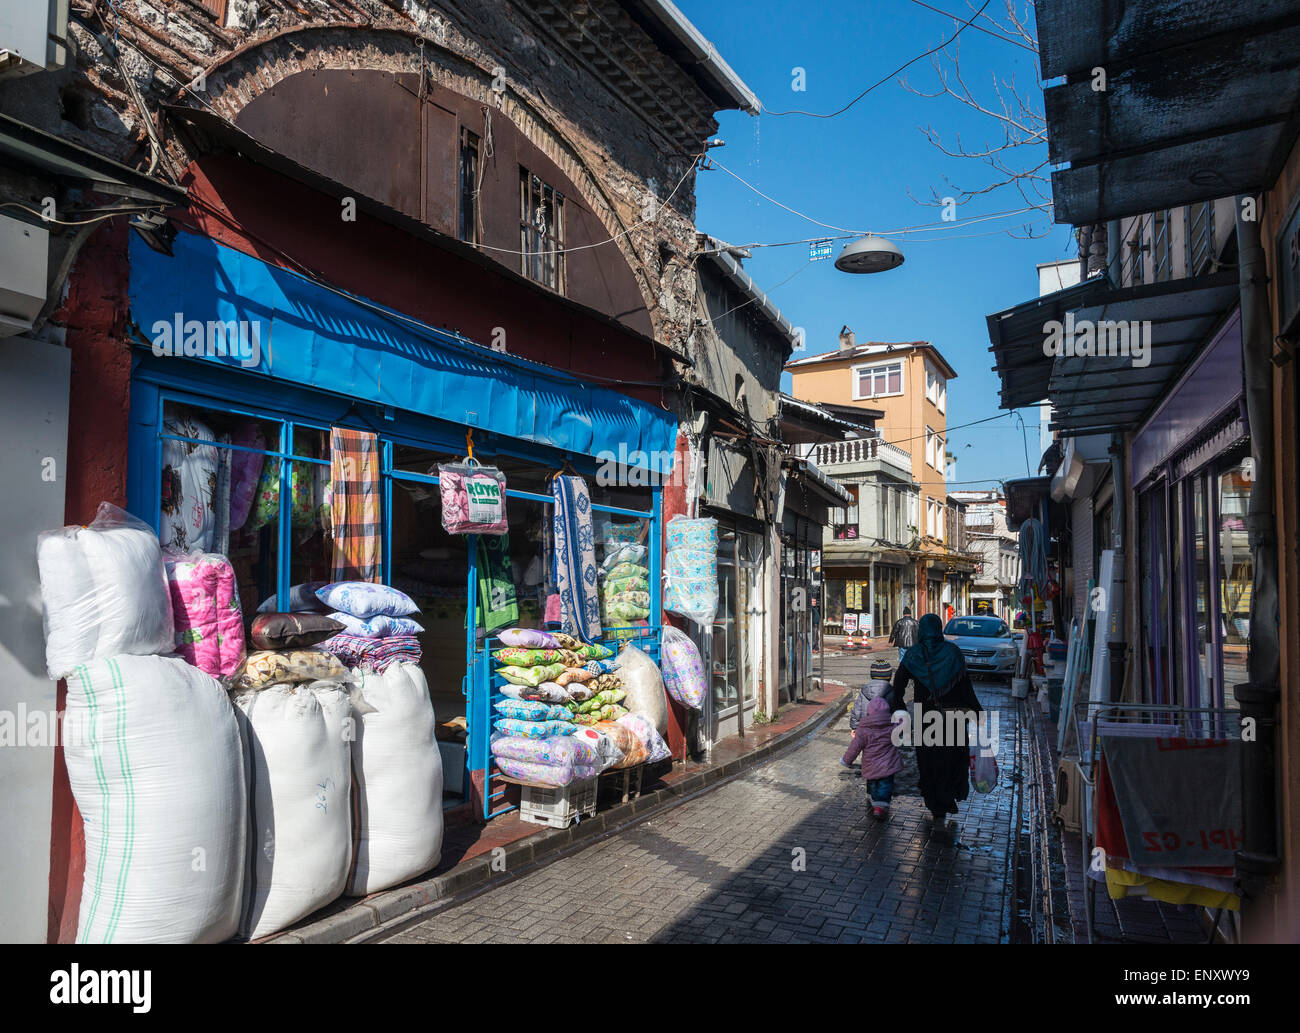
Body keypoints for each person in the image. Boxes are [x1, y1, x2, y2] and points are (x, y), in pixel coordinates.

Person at [889, 613, 983, 829]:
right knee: (952, 758)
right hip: (954, 717)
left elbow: (900, 680)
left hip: (926, 717)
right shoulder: (953, 652)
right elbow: (966, 685)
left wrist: (898, 704)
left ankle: (935, 804)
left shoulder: (914, 654)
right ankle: (948, 796)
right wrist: (976, 710)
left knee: (929, 760)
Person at [840, 659, 903, 819]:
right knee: (885, 778)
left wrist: (855, 727)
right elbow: (899, 713)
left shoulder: (864, 691)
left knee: (871, 771)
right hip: (887, 746)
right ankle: (880, 805)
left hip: (867, 736)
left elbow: (857, 710)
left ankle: (871, 795)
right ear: (889, 676)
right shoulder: (892, 692)